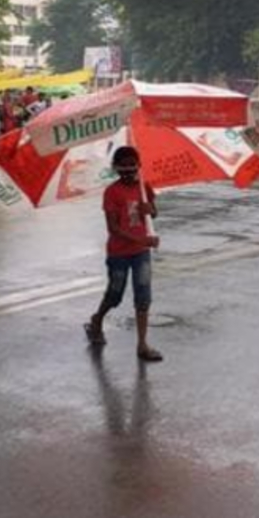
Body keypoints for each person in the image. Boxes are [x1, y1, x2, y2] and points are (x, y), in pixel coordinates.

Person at [84, 146, 164, 363]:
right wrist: (142, 240)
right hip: (119, 253)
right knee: (115, 294)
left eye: (132, 169)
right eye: (124, 170)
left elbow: (153, 213)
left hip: (141, 254)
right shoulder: (111, 192)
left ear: (139, 166)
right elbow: (113, 228)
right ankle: (97, 320)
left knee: (143, 297)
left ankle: (142, 345)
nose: (129, 174)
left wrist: (150, 210)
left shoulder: (143, 186)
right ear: (116, 169)